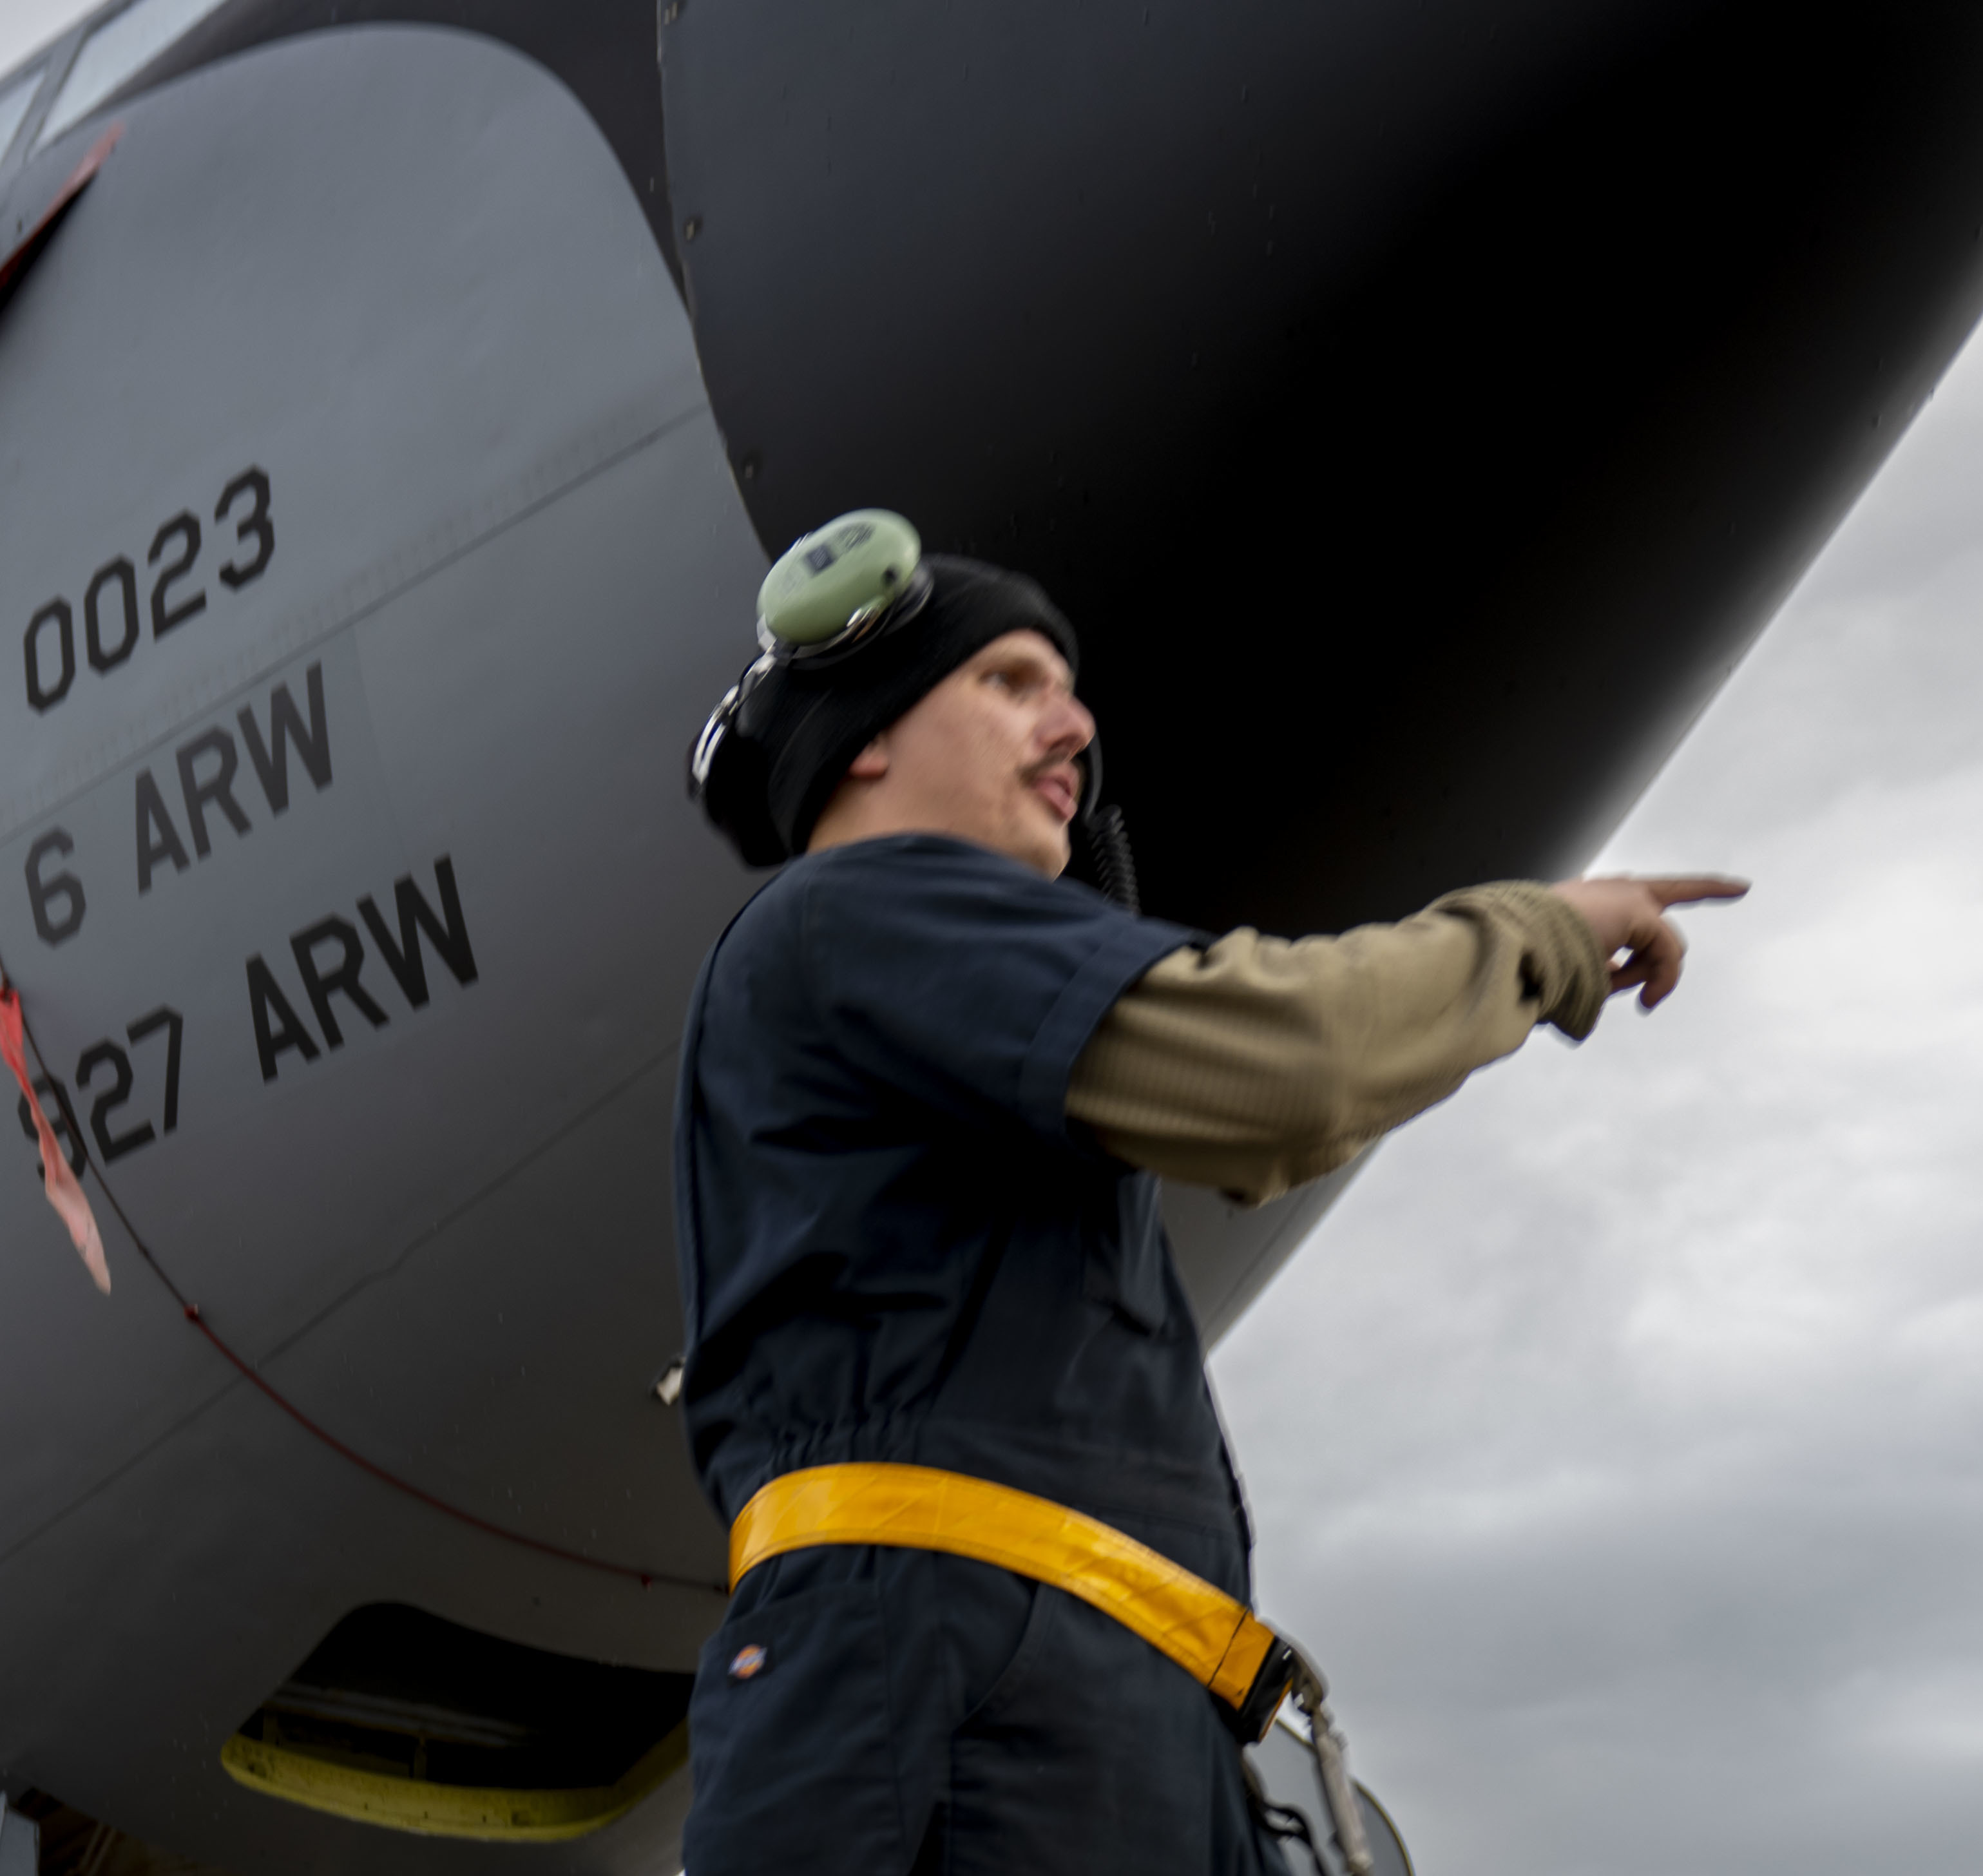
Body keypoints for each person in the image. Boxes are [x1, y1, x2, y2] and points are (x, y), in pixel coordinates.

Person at [669, 511, 1740, 1872]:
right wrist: (1540, 934)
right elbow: (1296, 1065)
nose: (1074, 731)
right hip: (962, 1688)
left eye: (1065, 692)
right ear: (864, 735)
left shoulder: (898, 988)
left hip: (1087, 1698)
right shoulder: (858, 911)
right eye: (1008, 684)